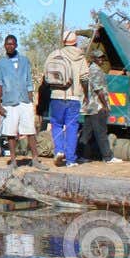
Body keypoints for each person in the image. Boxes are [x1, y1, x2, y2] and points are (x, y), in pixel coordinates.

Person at [43, 30, 89, 166]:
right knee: (72, 127)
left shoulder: (54, 54)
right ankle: (70, 160)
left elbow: (46, 77)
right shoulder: (80, 57)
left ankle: (59, 150)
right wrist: (86, 94)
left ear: (63, 41)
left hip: (56, 96)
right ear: (76, 42)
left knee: (56, 124)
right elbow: (85, 78)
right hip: (73, 98)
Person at [0, 35, 36, 167]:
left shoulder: (24, 61)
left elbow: (29, 81)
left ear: (16, 45)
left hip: (24, 100)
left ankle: (35, 159)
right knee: (11, 132)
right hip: (9, 101)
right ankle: (13, 160)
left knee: (30, 130)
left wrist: (30, 99)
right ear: (4, 46)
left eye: (12, 44)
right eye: (7, 44)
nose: (9, 46)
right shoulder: (0, 64)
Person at [79, 52, 114, 164]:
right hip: (97, 106)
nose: (101, 60)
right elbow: (98, 89)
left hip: (91, 106)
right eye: (99, 58)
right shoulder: (96, 70)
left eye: (102, 57)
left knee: (86, 133)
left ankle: (82, 155)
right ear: (93, 58)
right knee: (101, 132)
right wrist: (105, 105)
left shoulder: (91, 69)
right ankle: (108, 157)